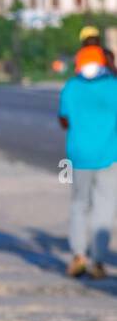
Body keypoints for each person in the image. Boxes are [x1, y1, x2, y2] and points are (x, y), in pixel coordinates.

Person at [59, 40, 117, 278]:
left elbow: (64, 120)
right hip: (110, 155)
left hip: (78, 156)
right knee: (105, 206)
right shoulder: (114, 86)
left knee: (79, 205)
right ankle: (99, 261)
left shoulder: (71, 87)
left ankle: (78, 256)